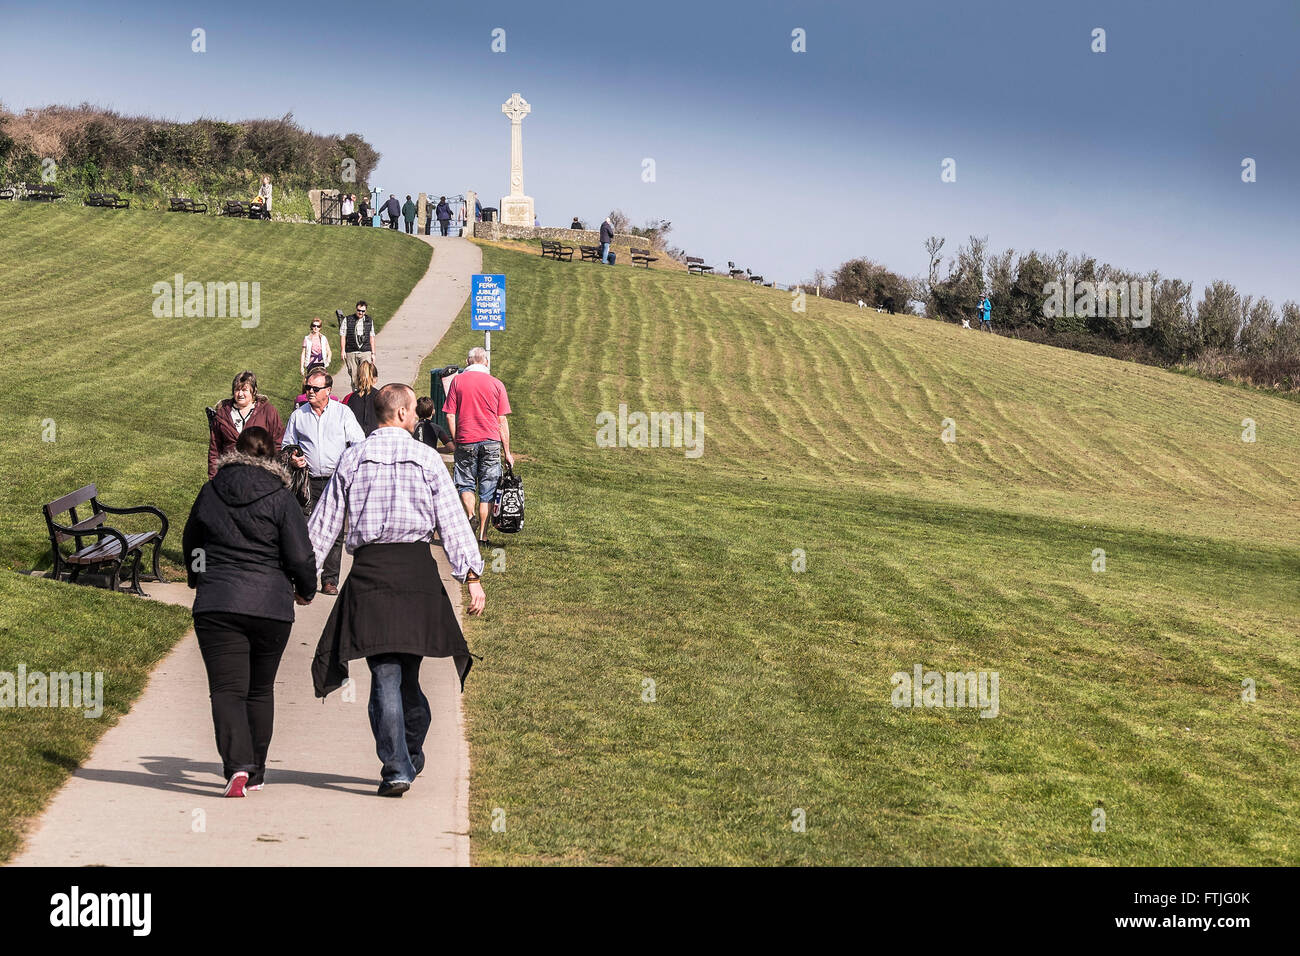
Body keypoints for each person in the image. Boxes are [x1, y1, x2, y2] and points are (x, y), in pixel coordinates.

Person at [308, 384, 484, 796]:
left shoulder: (353, 458)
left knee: (389, 676)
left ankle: (402, 760)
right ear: (405, 413)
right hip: (415, 575)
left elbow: (323, 525)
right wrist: (471, 576)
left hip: (371, 575)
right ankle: (400, 764)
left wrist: (299, 577)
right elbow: (452, 523)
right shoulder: (426, 457)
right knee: (400, 675)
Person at [183, 425, 317, 797]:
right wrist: (305, 590)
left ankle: (238, 765)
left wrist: (199, 579)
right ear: (272, 456)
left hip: (219, 602)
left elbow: (192, 542)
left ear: (234, 451)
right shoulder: (281, 496)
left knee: (227, 689)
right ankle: (255, 771)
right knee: (260, 689)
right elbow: (300, 553)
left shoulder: (211, 491)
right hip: (270, 606)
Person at [281, 368, 365, 594]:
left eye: (315, 388)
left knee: (335, 532)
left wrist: (348, 467)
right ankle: (305, 576)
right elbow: (287, 446)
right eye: (307, 387)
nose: (309, 391)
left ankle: (330, 580)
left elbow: (358, 443)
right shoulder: (299, 416)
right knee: (305, 530)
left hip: (335, 481)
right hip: (308, 481)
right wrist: (293, 458)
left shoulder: (343, 413)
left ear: (327, 390)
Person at [443, 346, 515, 546]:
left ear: (467, 362)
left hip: (466, 440)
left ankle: (470, 515)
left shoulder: (457, 381)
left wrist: (457, 440)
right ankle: (482, 536)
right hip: (491, 442)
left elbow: (450, 414)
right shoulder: (496, 384)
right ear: (486, 363)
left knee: (465, 483)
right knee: (488, 489)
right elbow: (501, 420)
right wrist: (507, 452)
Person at [208, 371, 285, 479]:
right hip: (228, 476)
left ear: (253, 391)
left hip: (259, 476)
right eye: (237, 390)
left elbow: (278, 442)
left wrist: (271, 472)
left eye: (244, 390)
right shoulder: (223, 414)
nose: (240, 394)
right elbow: (215, 449)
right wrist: (213, 477)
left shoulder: (268, 412)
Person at [339, 300, 376, 391]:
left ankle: (367, 392)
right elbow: (343, 335)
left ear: (365, 311)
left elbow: (372, 337)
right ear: (356, 309)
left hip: (365, 351)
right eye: (359, 310)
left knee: (366, 374)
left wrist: (373, 353)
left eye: (363, 311)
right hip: (351, 351)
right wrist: (343, 350)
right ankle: (356, 394)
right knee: (354, 375)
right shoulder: (347, 320)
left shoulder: (369, 321)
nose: (360, 313)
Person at [343, 360, 380, 436]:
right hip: (376, 441)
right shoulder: (382, 397)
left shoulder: (348, 398)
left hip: (355, 443)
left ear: (357, 378)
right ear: (375, 379)